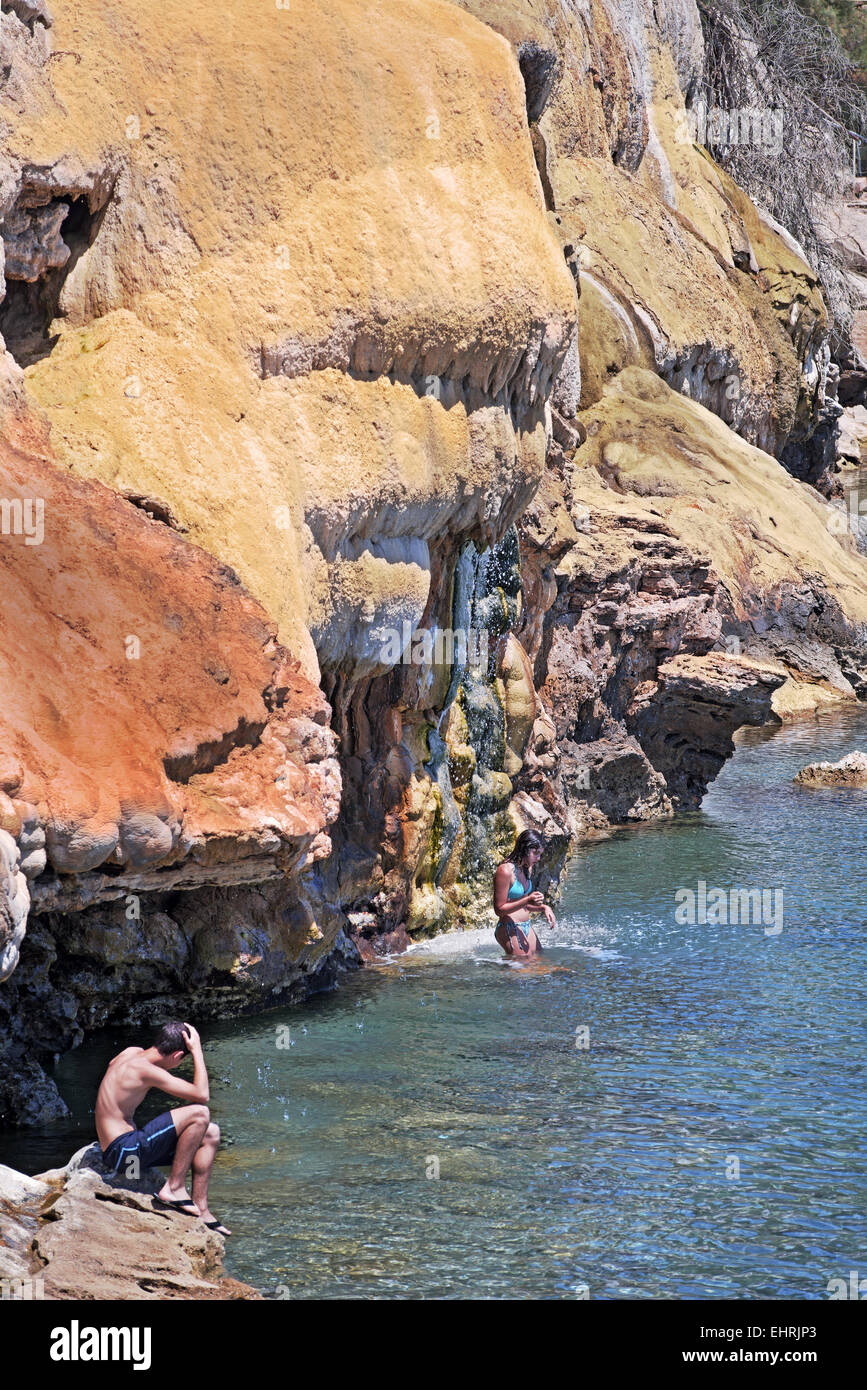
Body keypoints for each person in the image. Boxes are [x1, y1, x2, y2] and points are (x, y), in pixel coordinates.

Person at [94, 1019, 230, 1237]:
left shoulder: (131, 1052)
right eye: (181, 1060)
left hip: (121, 1153)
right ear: (177, 1056)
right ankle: (174, 1188)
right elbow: (202, 1095)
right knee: (200, 1113)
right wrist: (197, 1052)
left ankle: (202, 1209)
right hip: (125, 1155)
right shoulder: (146, 1070)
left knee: (210, 1132)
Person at [493, 829, 555, 957]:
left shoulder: (527, 868)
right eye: (535, 853)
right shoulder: (505, 871)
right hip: (509, 927)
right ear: (523, 849)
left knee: (540, 960)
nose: (538, 858)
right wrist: (527, 900)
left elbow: (524, 905)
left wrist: (543, 907)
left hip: (526, 926)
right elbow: (499, 909)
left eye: (540, 854)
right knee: (523, 970)